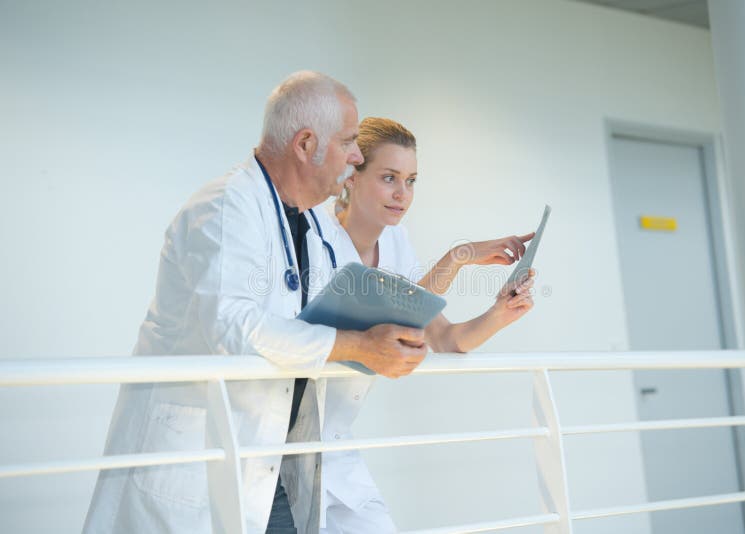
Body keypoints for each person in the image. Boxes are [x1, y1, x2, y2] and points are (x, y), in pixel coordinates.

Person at [83, 73, 430, 534]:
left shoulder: (317, 227)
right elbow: (235, 328)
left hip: (275, 462)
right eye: (348, 141)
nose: (356, 156)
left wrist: (389, 337)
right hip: (200, 457)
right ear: (306, 144)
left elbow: (325, 317)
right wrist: (359, 345)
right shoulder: (226, 206)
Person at [313, 117, 535, 533]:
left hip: (334, 437)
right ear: (351, 175)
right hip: (283, 432)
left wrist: (499, 314)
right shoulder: (314, 234)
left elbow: (443, 337)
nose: (403, 194)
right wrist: (458, 257)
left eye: (411, 181)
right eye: (389, 178)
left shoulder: (394, 241)